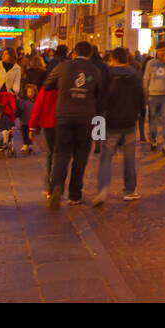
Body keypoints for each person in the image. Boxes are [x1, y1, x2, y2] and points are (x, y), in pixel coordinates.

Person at [44, 41, 104, 209]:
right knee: (80, 156)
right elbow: (99, 95)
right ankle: (74, 195)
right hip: (85, 117)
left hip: (64, 115)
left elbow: (47, 85)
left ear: (74, 52)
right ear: (90, 54)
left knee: (61, 153)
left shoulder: (62, 67)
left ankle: (56, 186)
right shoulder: (95, 71)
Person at [94, 47, 144, 205]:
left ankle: (102, 189)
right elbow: (141, 100)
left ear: (114, 59)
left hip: (110, 122)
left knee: (105, 157)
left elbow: (101, 100)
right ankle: (129, 190)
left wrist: (98, 124)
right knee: (129, 158)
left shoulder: (107, 75)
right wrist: (137, 115)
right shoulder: (135, 76)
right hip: (129, 122)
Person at [144, 40, 165, 155]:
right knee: (152, 122)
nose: (163, 52)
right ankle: (153, 141)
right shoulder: (151, 63)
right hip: (153, 95)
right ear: (157, 51)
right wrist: (145, 93)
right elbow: (146, 79)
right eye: (161, 50)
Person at [29, 76, 59, 196]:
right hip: (63, 124)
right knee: (60, 154)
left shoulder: (45, 89)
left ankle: (50, 185)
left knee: (50, 154)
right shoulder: (65, 88)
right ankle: (57, 182)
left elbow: (37, 108)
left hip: (48, 124)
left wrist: (32, 127)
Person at [16, 82, 37, 152]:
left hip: (31, 121)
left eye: (31, 92)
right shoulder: (23, 101)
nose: (30, 94)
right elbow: (21, 108)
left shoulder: (35, 101)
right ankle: (25, 144)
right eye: (28, 92)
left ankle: (29, 143)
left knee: (30, 132)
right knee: (24, 133)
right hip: (24, 120)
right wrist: (18, 101)